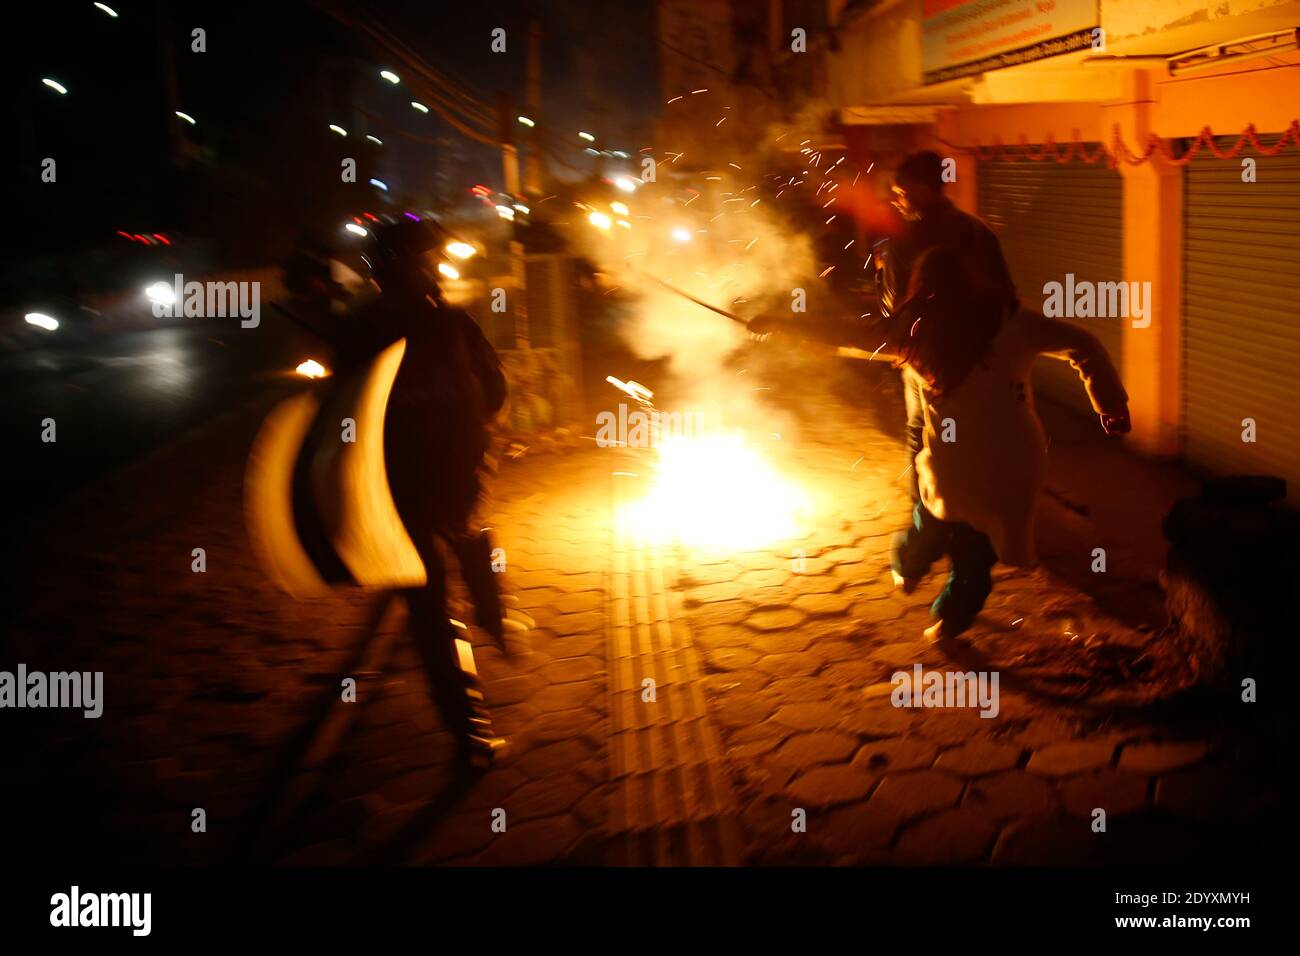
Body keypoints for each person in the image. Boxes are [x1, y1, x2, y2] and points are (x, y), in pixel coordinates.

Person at [878, 245, 1130, 640]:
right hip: (1014, 460)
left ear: (921, 287)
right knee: (977, 551)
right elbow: (1084, 345)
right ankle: (950, 620)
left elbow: (846, 331)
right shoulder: (1013, 320)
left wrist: (778, 323)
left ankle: (907, 568)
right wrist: (1110, 403)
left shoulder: (916, 330)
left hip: (953, 459)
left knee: (930, 519)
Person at [351, 219, 522, 769]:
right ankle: (495, 623)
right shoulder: (451, 324)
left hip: (393, 489)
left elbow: (342, 417)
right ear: (420, 268)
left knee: (429, 611)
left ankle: (468, 736)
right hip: (455, 476)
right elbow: (495, 392)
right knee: (473, 546)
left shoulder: (359, 332)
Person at [876, 151, 1019, 502]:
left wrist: (883, 273)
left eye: (901, 191)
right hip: (978, 360)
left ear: (924, 188)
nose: (896, 200)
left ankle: (926, 516)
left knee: (919, 432)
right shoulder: (979, 230)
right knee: (971, 437)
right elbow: (1008, 296)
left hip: (925, 362)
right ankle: (970, 515)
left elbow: (895, 311)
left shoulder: (904, 242)